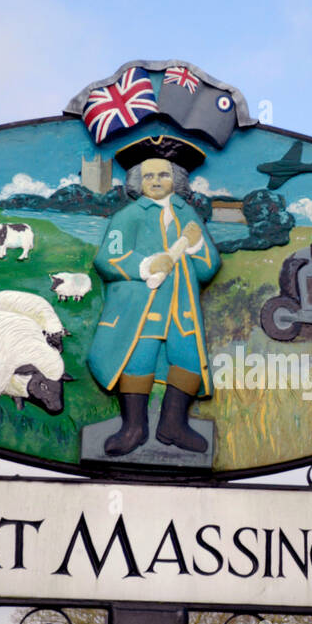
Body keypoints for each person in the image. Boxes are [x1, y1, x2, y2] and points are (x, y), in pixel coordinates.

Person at [86, 136, 221, 456]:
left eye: (163, 174)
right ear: (138, 181)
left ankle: (174, 424)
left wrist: (195, 245)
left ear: (176, 179)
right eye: (149, 175)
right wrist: (145, 265)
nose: (156, 181)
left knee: (188, 360)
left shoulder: (188, 216)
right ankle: (134, 428)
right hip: (143, 307)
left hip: (182, 306)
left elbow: (208, 268)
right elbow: (108, 258)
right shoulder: (129, 215)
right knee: (138, 358)